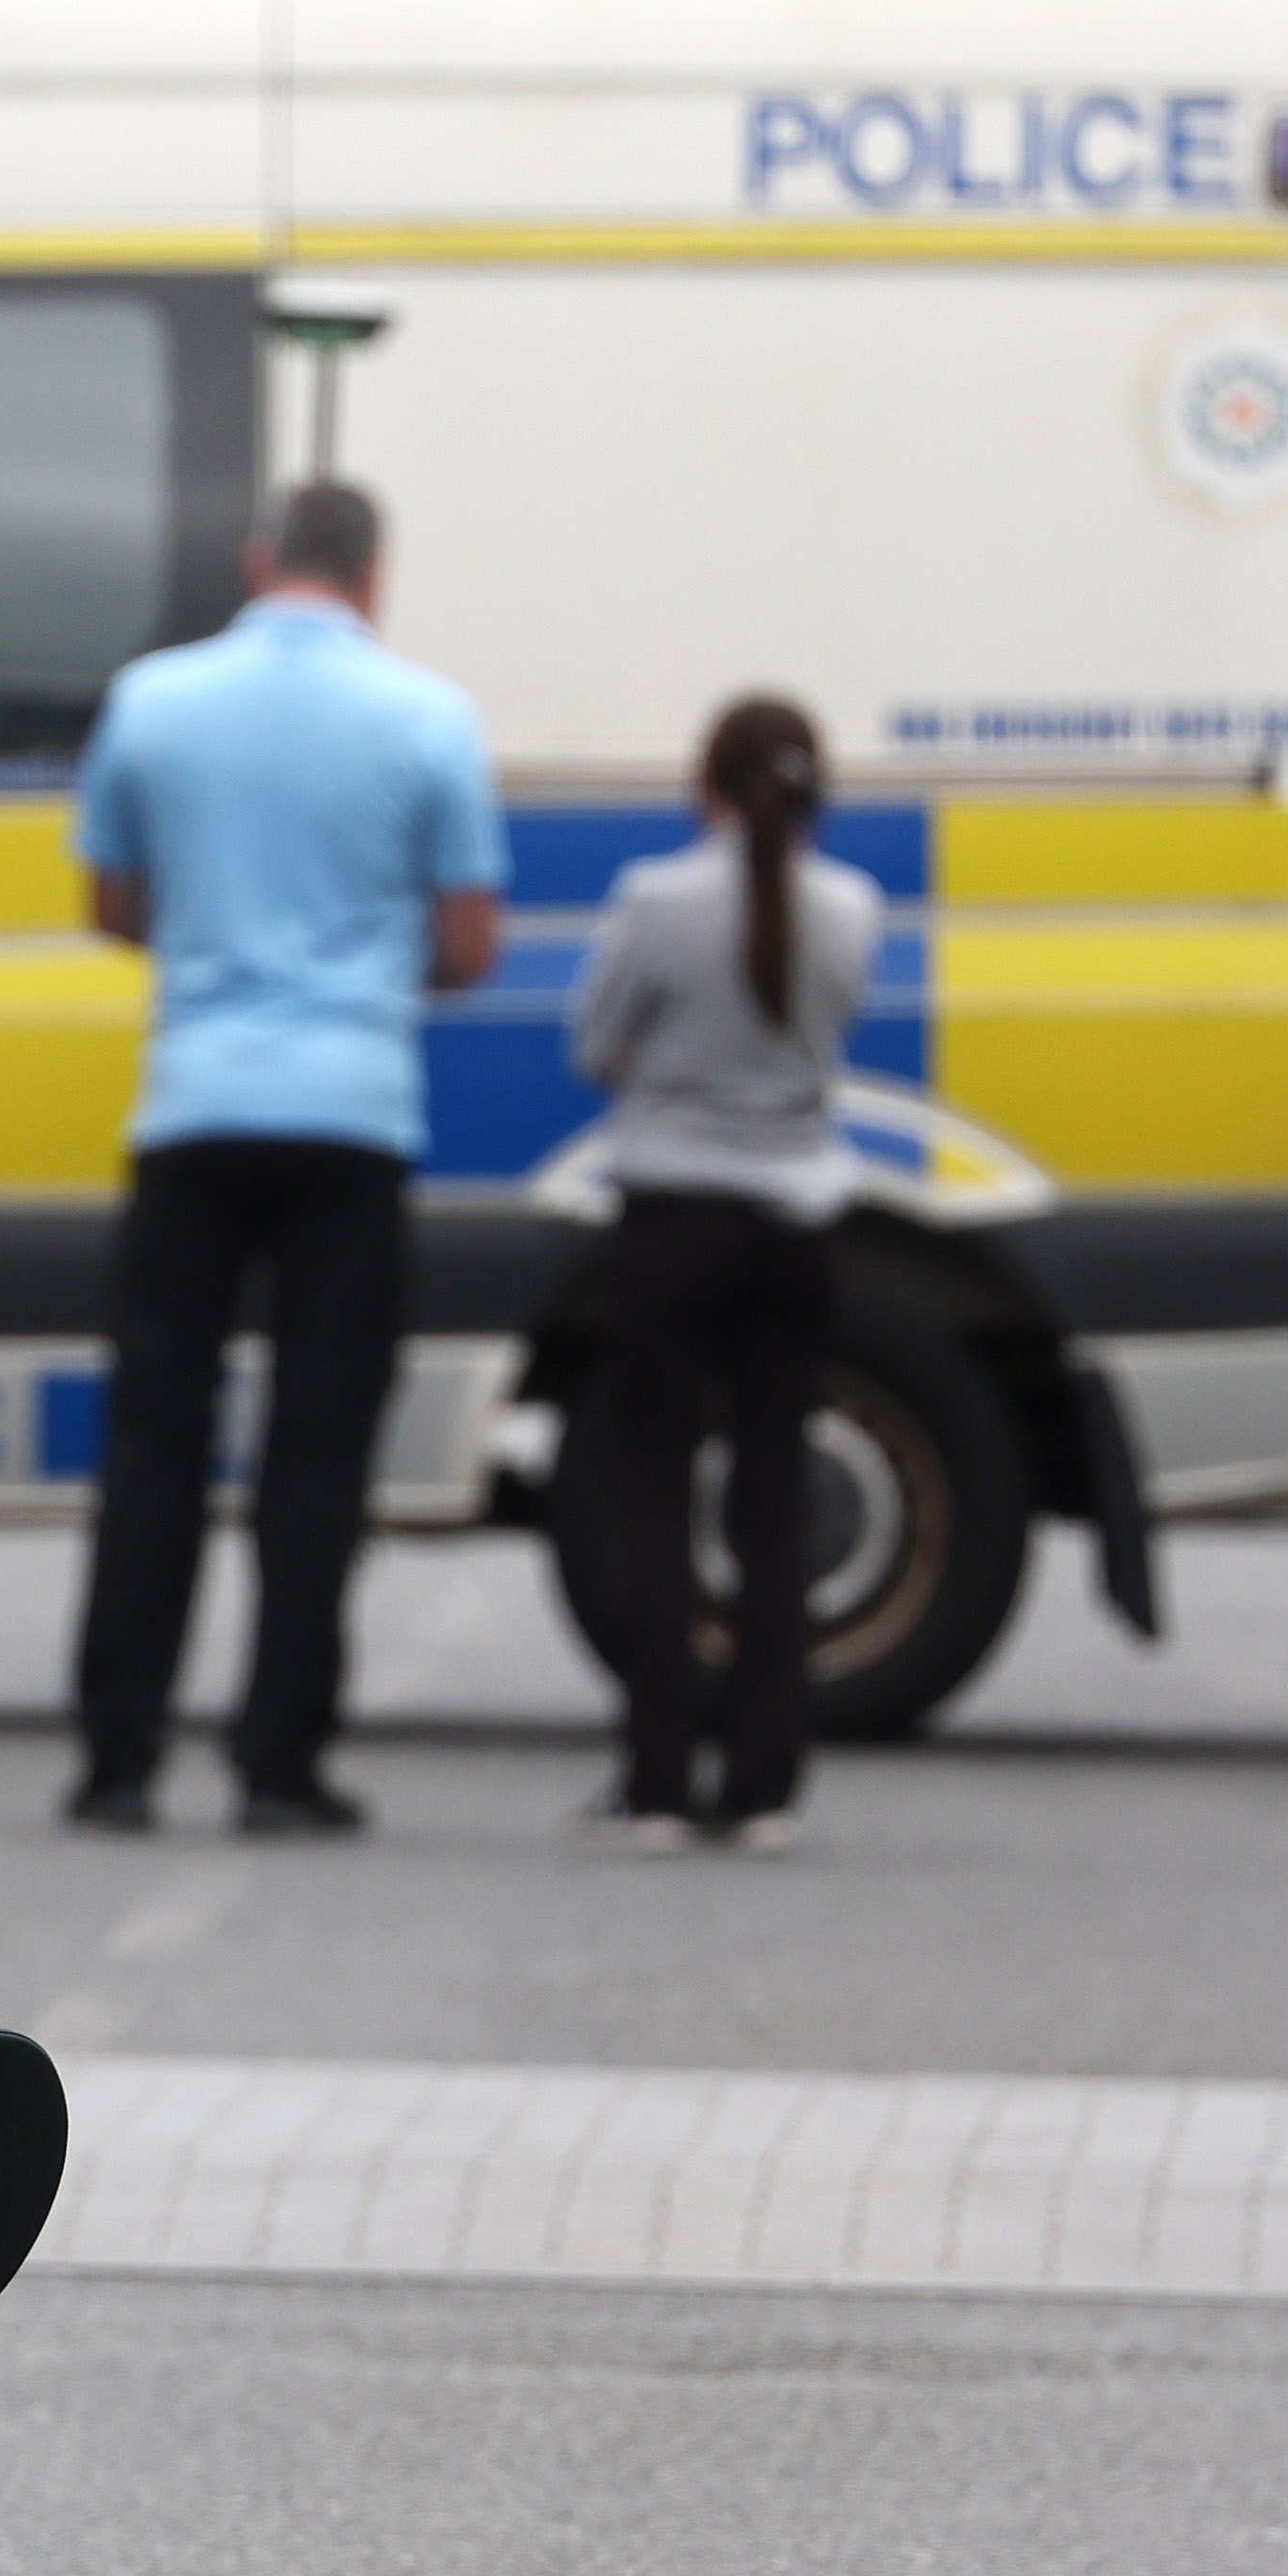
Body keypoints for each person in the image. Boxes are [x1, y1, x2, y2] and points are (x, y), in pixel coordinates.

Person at [64, 480, 503, 1839]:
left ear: (260, 562)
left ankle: (120, 1756)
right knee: (318, 1448)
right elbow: (469, 942)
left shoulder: (151, 700)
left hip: (192, 1106)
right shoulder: (430, 716)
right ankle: (281, 1762)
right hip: (350, 1116)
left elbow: (112, 902)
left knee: (156, 1437)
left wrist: (220, 943)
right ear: (373, 575)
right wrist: (355, 967)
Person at [564, 694, 878, 1849]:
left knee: (655, 1493)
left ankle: (656, 1780)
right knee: (774, 1501)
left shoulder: (656, 898)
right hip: (797, 1216)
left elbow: (593, 1045)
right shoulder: (853, 906)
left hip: (672, 1211)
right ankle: (765, 1785)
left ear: (707, 784)